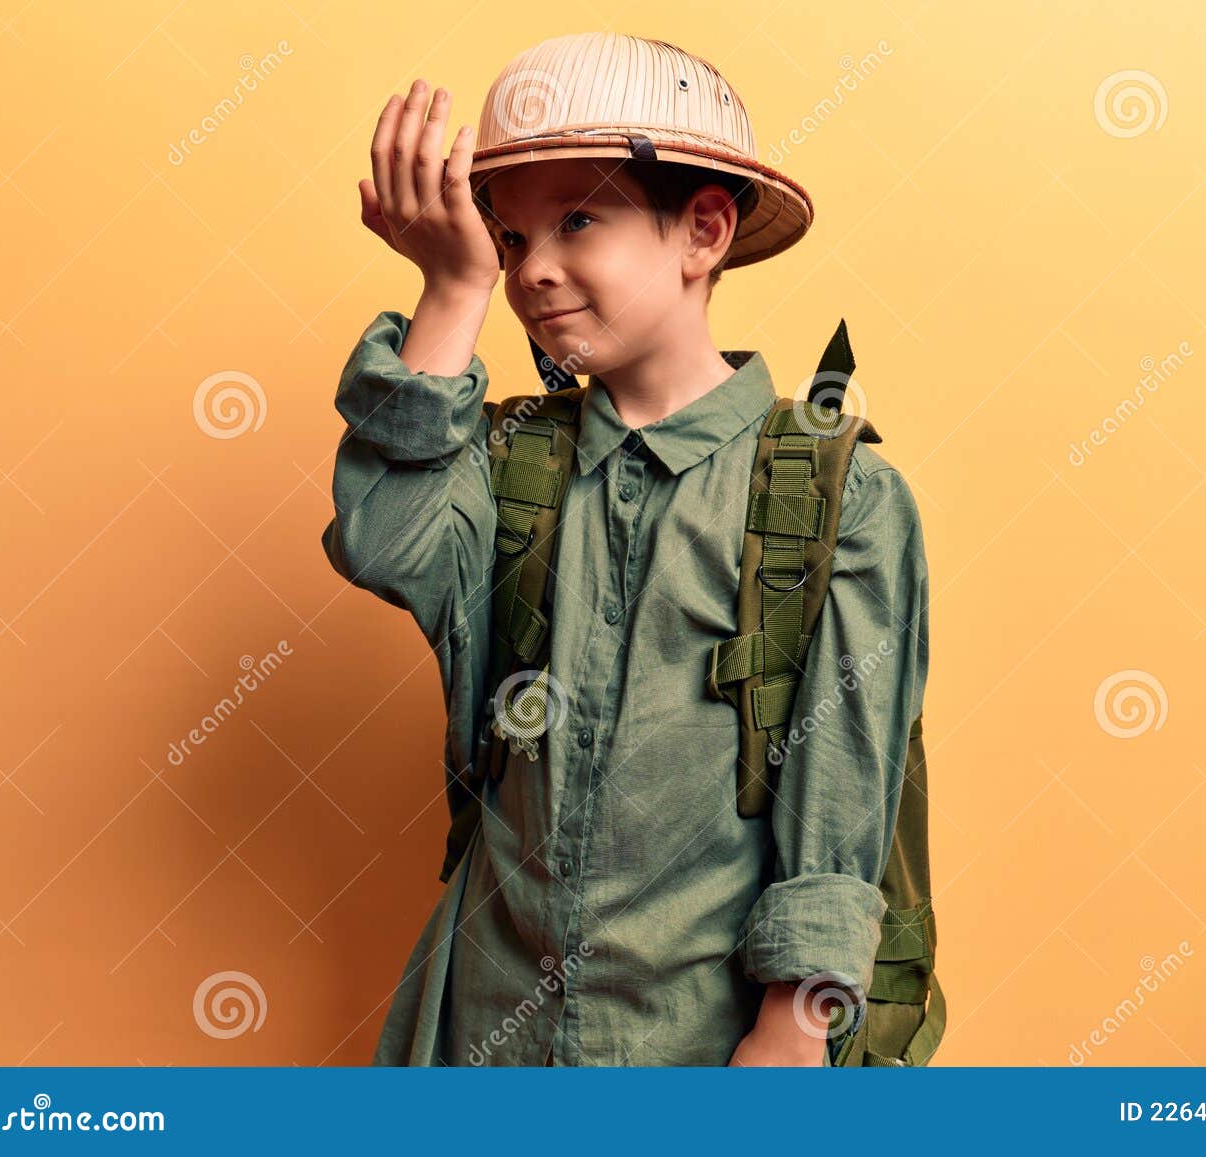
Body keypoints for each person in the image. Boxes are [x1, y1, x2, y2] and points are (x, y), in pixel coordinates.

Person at [321, 31, 929, 1066]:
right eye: (511, 239)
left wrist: (793, 1024)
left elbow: (842, 788)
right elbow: (387, 542)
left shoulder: (842, 497)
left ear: (702, 230)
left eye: (578, 221)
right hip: (485, 1032)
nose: (535, 270)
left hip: (696, 1046)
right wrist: (454, 287)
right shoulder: (507, 458)